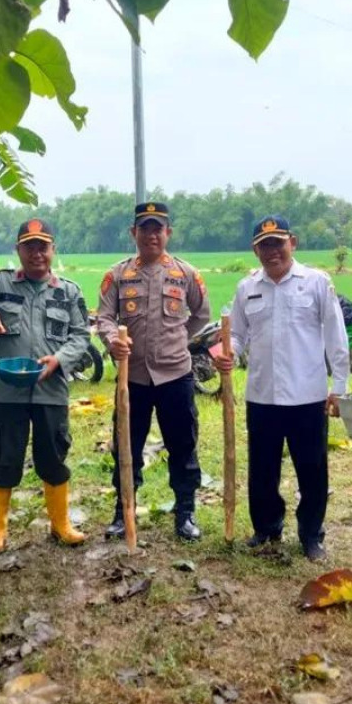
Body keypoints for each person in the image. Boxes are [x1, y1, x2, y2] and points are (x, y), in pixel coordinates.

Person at [214, 216, 350, 560]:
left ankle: (310, 535)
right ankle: (266, 527)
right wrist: (228, 353)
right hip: (262, 395)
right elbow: (239, 335)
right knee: (262, 469)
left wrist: (341, 386)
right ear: (255, 250)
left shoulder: (317, 283)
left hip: (308, 395)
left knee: (312, 469)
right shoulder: (248, 288)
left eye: (278, 243)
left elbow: (336, 336)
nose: (272, 251)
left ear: (293, 242)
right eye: (264, 245)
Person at [0, 219, 90, 552]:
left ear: (52, 250)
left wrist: (60, 359)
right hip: (8, 391)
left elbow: (81, 335)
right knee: (5, 456)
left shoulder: (69, 291)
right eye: (29, 246)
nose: (37, 253)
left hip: (52, 391)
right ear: (18, 250)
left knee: (53, 455)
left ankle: (60, 524)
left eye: (43, 246)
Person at [97, 202, 211, 541]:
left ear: (168, 233)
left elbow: (201, 316)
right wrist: (110, 341)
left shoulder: (185, 274)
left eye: (158, 228)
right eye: (145, 228)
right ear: (134, 233)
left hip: (175, 375)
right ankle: (124, 510)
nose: (152, 234)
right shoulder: (117, 275)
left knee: (183, 443)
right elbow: (103, 317)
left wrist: (177, 339)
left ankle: (185, 512)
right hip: (132, 379)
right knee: (126, 445)